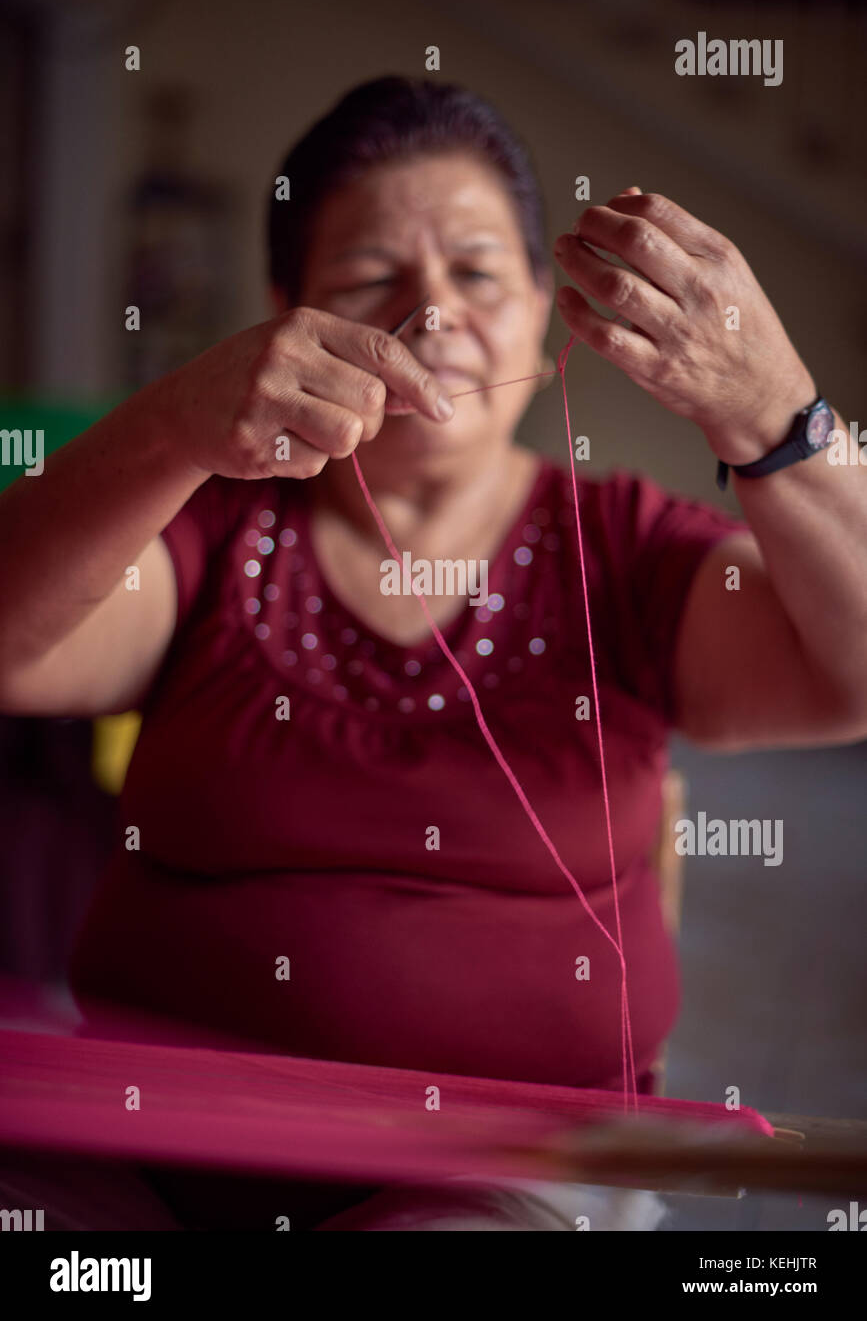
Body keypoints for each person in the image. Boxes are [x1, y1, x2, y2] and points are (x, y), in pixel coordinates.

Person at [1, 77, 864, 1230]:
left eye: (476, 270)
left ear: (545, 304)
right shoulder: (213, 535)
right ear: (283, 310)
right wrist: (172, 424)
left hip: (501, 1177)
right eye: (370, 278)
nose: (433, 314)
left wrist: (778, 413)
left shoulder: (626, 553)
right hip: (151, 1150)